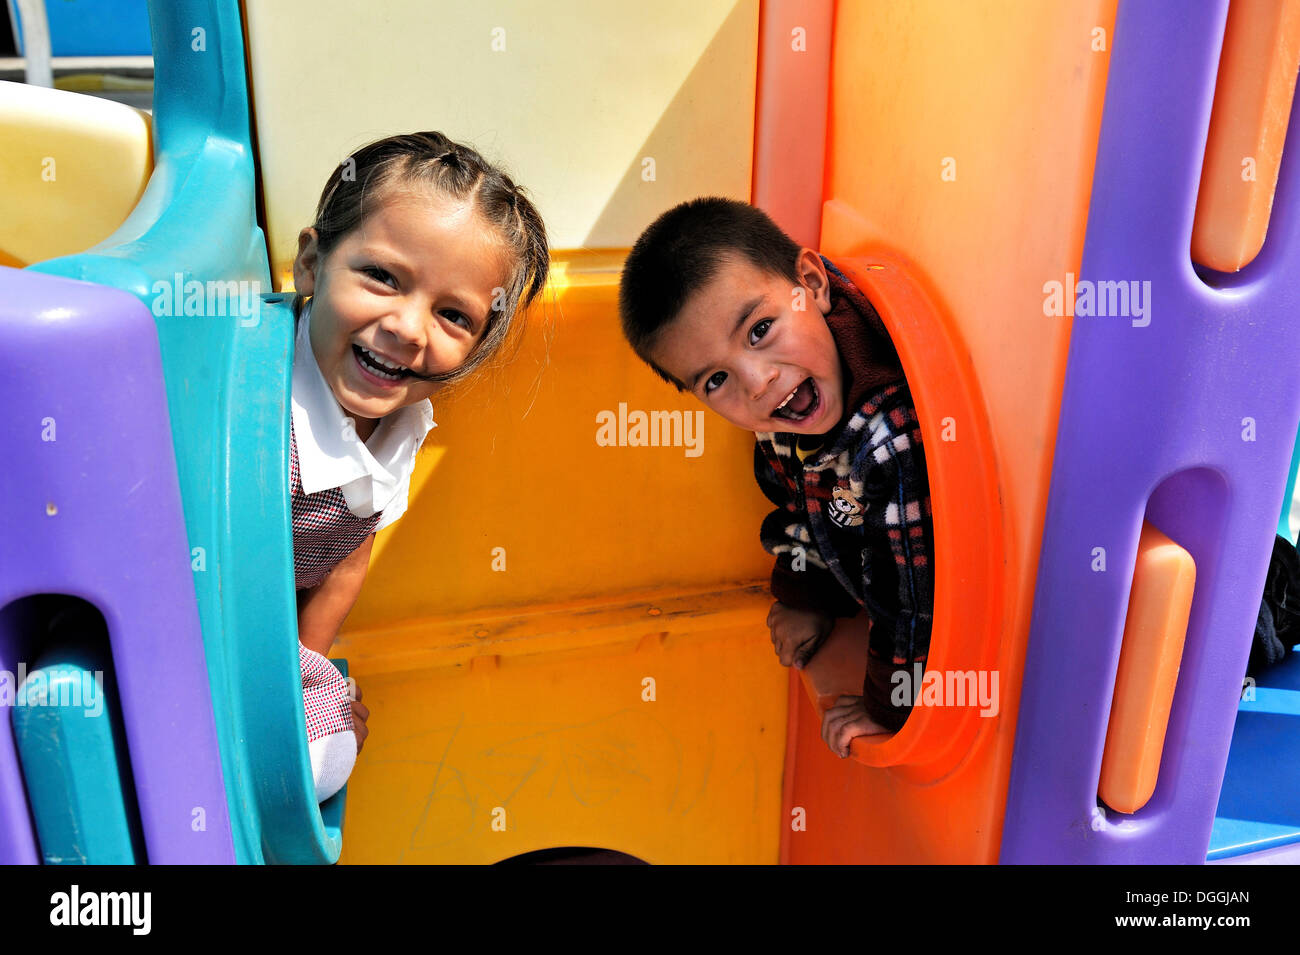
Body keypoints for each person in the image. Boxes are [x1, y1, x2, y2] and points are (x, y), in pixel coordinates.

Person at [618, 197, 933, 757]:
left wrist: (889, 706)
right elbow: (796, 503)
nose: (757, 382)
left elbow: (913, 599)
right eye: (715, 380)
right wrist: (806, 593)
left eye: (760, 329)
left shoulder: (891, 443)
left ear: (811, 283)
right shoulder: (784, 407)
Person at [288, 131, 548, 800]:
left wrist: (305, 669)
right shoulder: (258, 409)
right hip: (188, 622)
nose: (408, 327)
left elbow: (350, 549)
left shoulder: (403, 423)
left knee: (335, 750)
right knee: (308, 761)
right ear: (312, 264)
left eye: (453, 314)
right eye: (382, 277)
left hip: (271, 635)